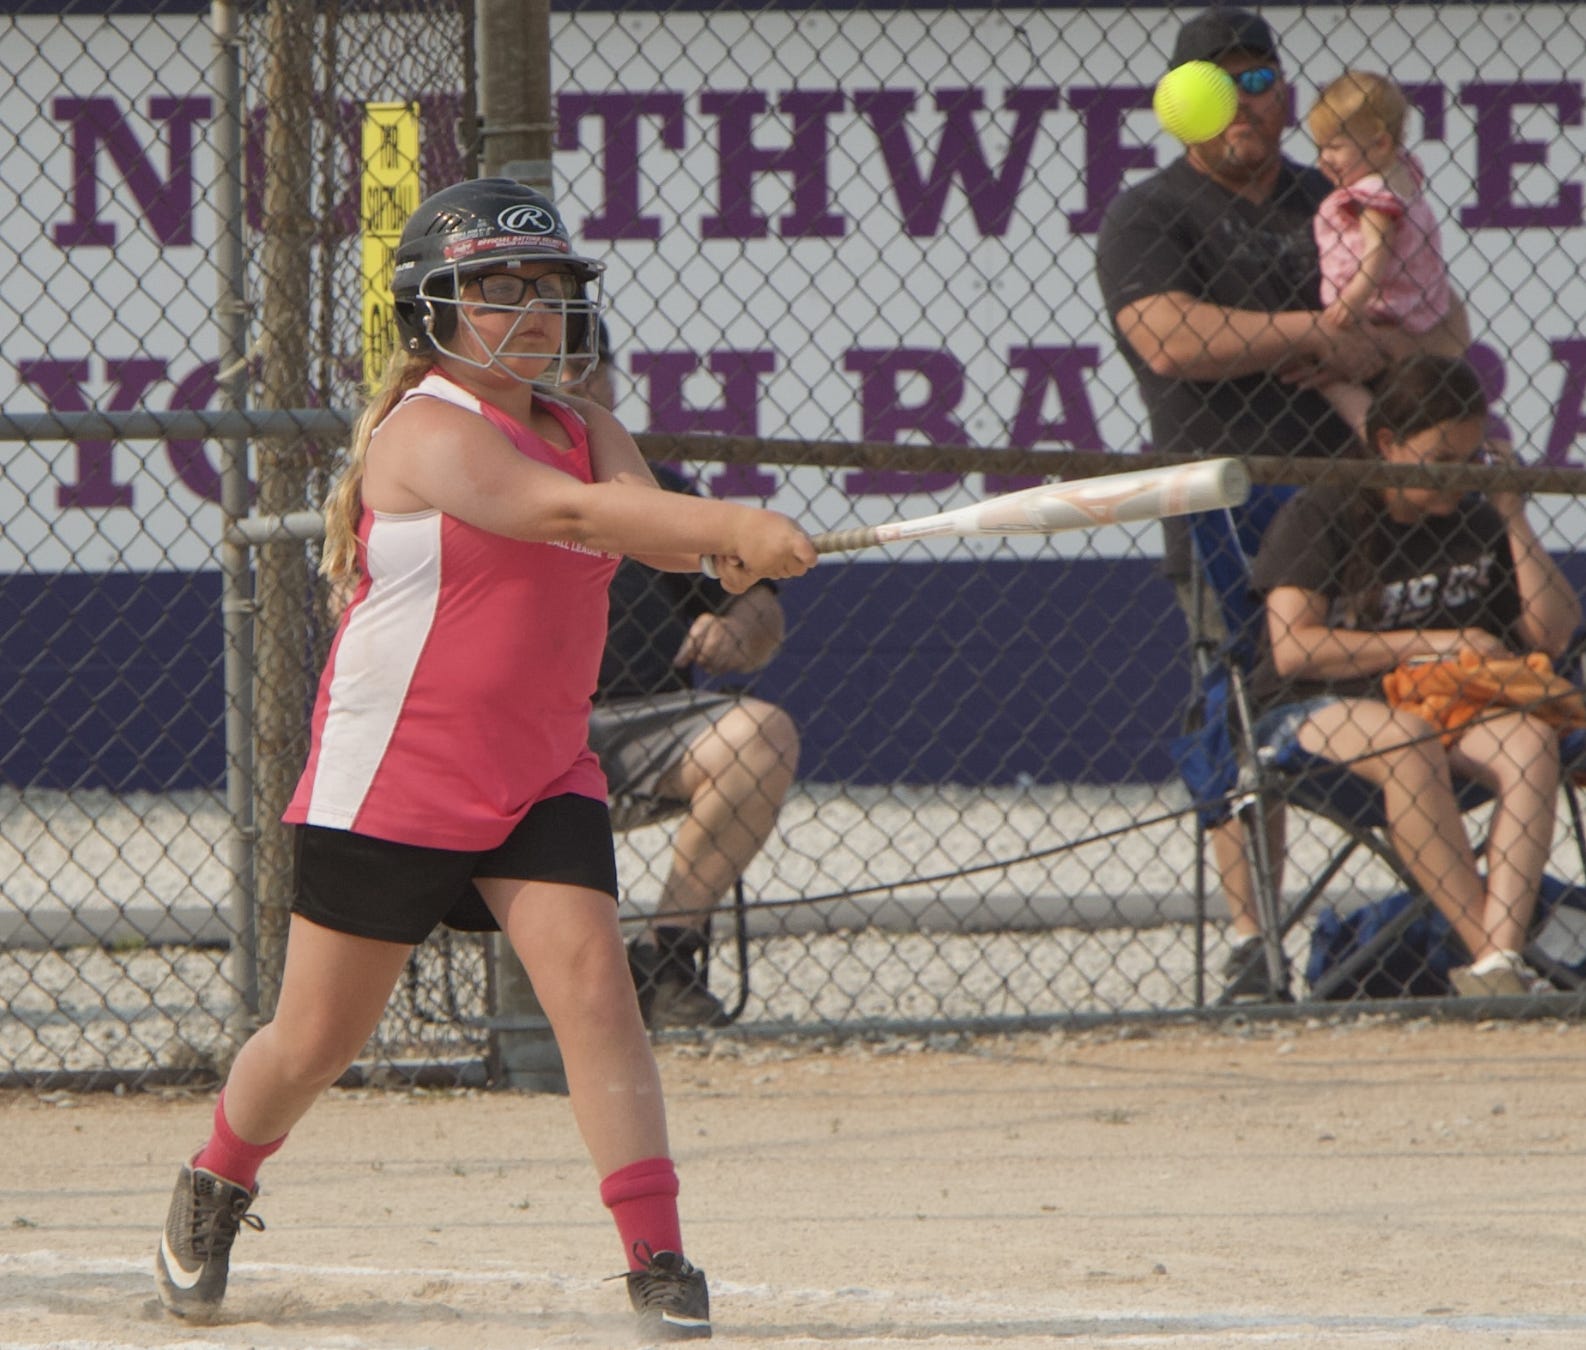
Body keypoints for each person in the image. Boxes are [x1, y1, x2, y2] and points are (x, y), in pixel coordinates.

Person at [151, 177, 817, 1341]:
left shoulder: (584, 424)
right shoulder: (427, 430)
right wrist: (727, 527)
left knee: (597, 996)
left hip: (539, 771)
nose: (530, 311)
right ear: (433, 313)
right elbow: (568, 518)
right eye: (496, 290)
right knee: (313, 1044)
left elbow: (634, 517)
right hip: (395, 777)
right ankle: (215, 1178)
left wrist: (721, 560)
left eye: (549, 289)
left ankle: (656, 1256)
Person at [1095, 5, 1469, 1000]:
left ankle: (1459, 924)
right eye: (1220, 85)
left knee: (1413, 692)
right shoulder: (1151, 214)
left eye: (1260, 81)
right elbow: (1167, 337)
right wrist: (1312, 328)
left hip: (1364, 507)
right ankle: (1254, 939)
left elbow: (1442, 338)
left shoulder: (1340, 196)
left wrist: (1360, 350)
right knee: (1235, 704)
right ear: (1183, 107)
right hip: (1228, 508)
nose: (1245, 104)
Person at [1248, 354, 1582, 997]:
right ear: (1387, 444)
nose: (1459, 474)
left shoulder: (1474, 520)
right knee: (1407, 742)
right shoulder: (1326, 511)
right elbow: (1292, 649)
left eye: (1472, 456)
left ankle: (1498, 965)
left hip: (1440, 707)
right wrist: (1440, 639)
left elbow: (1554, 633)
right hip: (1317, 707)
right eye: (1441, 456)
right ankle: (1489, 955)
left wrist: (1512, 514)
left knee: (1531, 740)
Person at [566, 323, 799, 1029]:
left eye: (587, 366)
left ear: (608, 382)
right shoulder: (475, 483)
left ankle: (665, 954)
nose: (572, 384)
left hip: (634, 725)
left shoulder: (655, 492)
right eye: (550, 369)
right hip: (508, 732)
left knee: (760, 734)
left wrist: (735, 631)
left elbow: (758, 610)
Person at [1307, 70, 1453, 440]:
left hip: (1378, 304)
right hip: (1417, 305)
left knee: (1325, 378)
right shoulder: (1402, 176)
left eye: (1334, 147)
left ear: (1380, 144)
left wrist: (1354, 298)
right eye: (1320, 147)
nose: (1324, 159)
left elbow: (1377, 252)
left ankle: (1370, 431)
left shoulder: (1371, 194)